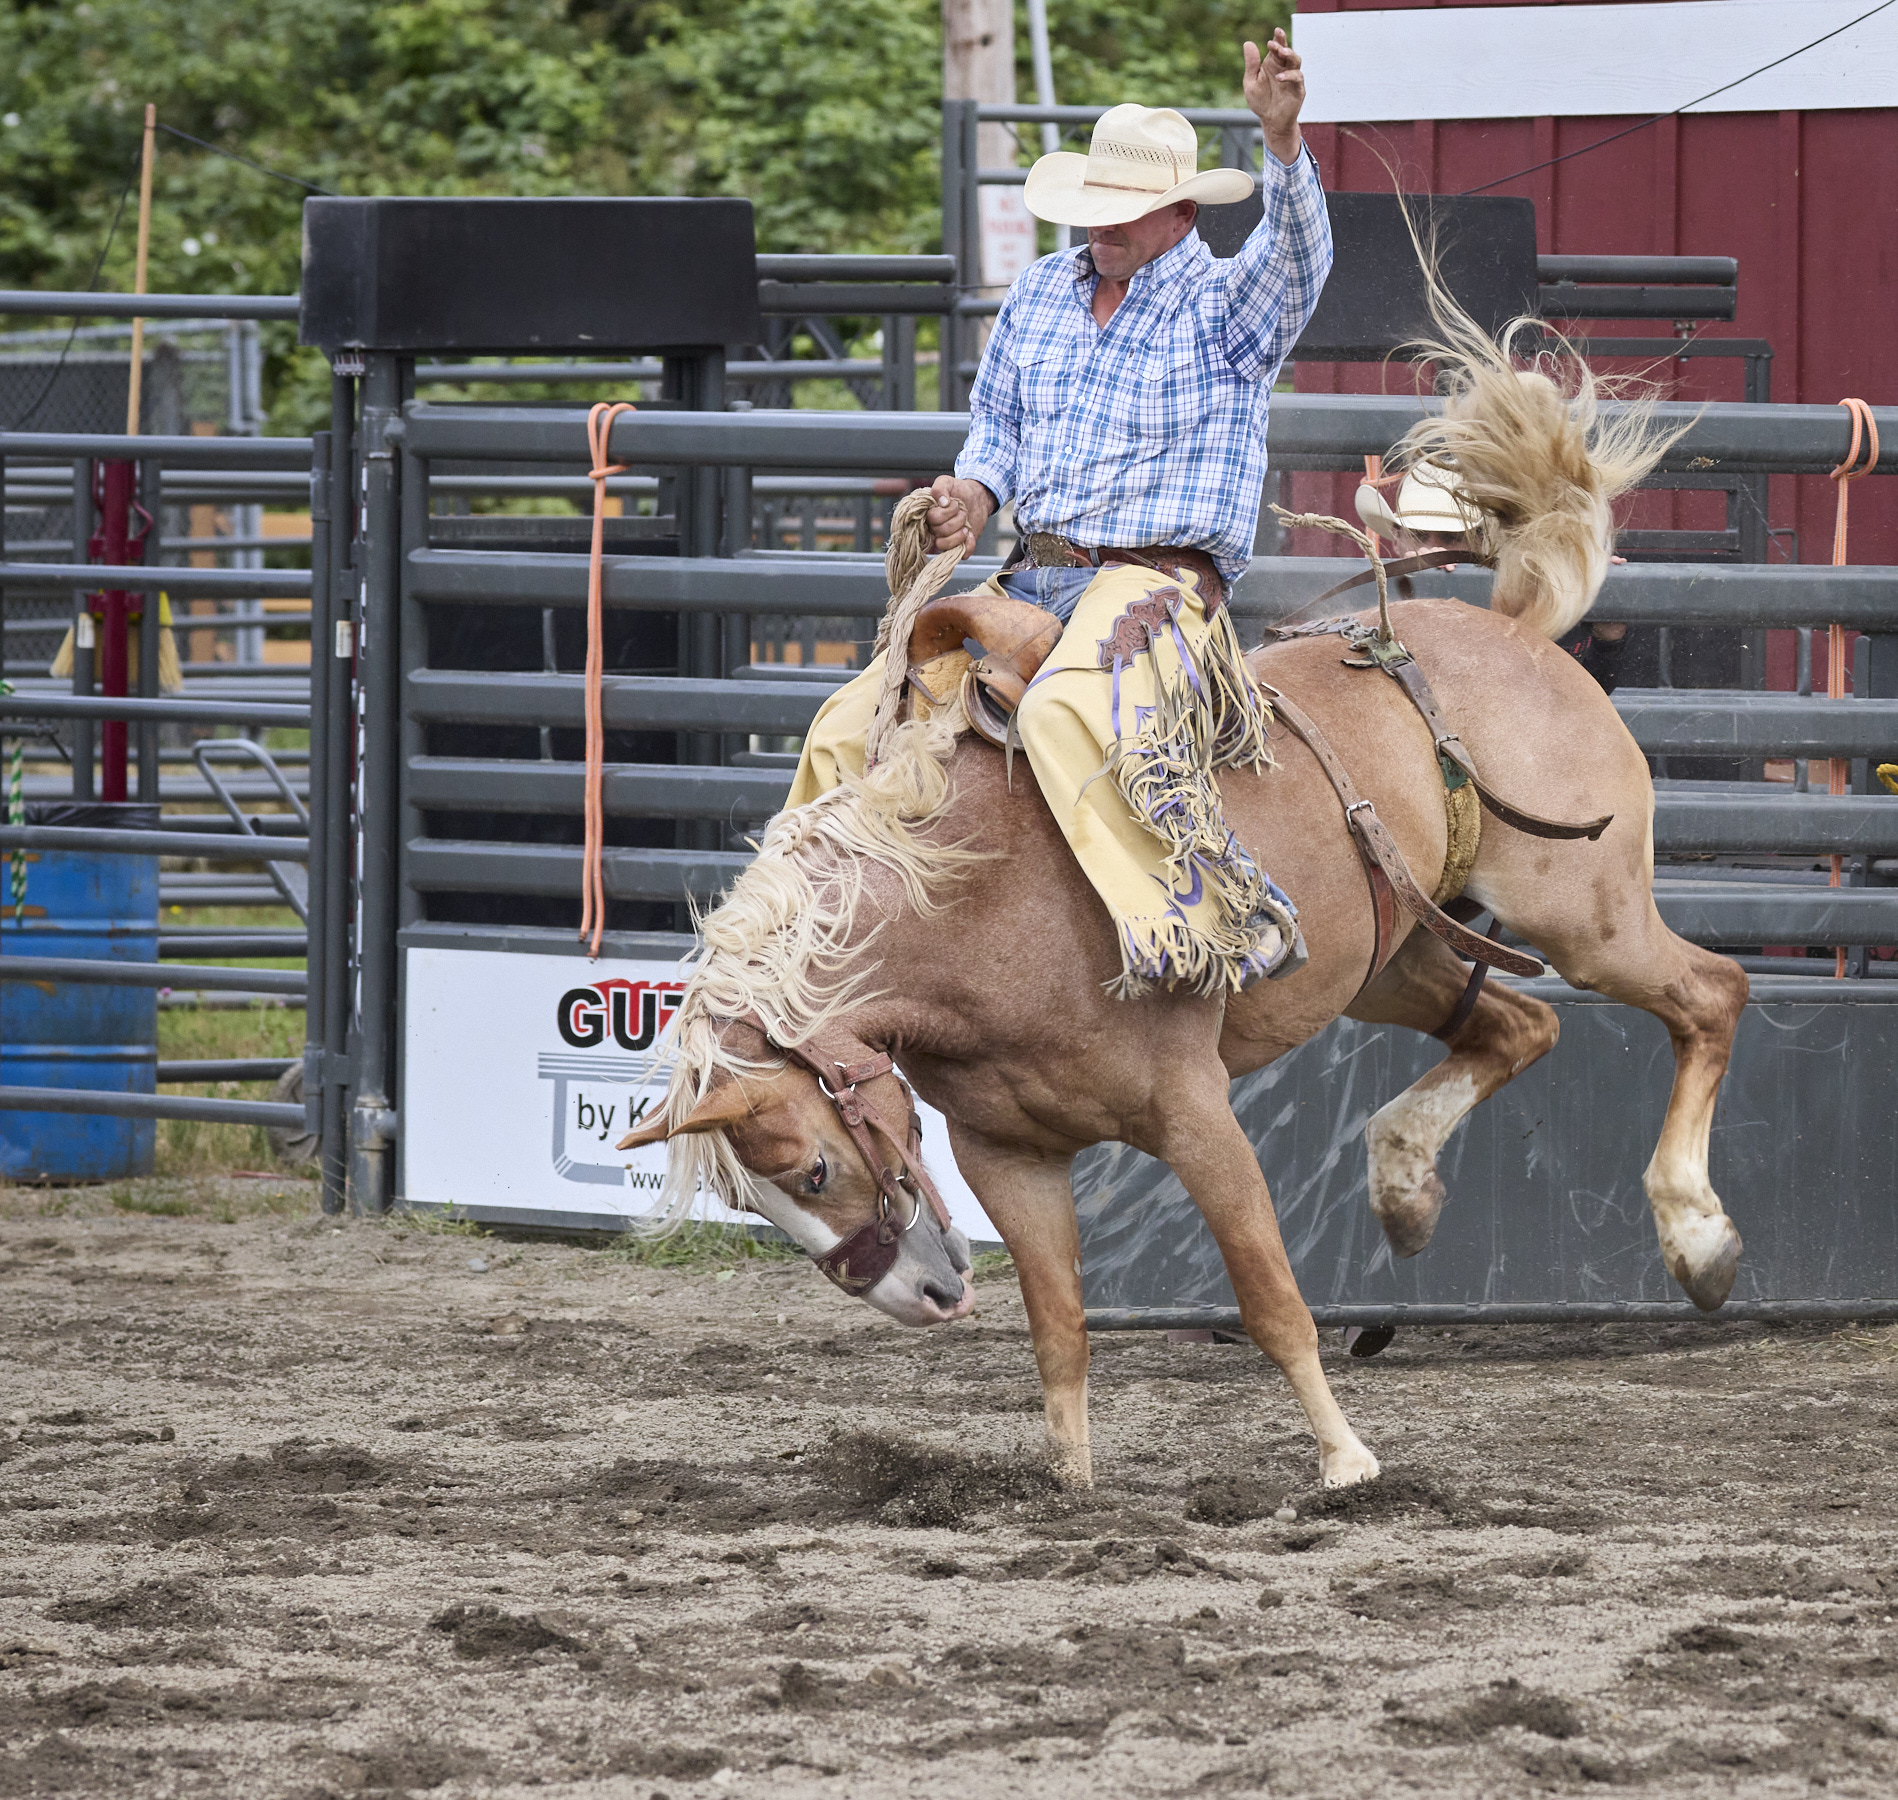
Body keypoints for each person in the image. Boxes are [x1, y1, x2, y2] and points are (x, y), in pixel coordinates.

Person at [787, 29, 1330, 999]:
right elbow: (995, 425)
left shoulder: (1223, 304)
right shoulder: (1040, 291)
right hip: (1028, 575)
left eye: (1118, 212)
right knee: (844, 723)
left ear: (1175, 212)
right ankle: (807, 942)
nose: (1098, 227)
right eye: (1093, 208)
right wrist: (970, 493)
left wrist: (1282, 147)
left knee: (1070, 711)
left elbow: (1295, 263)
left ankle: (1217, 914)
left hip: (1152, 586)